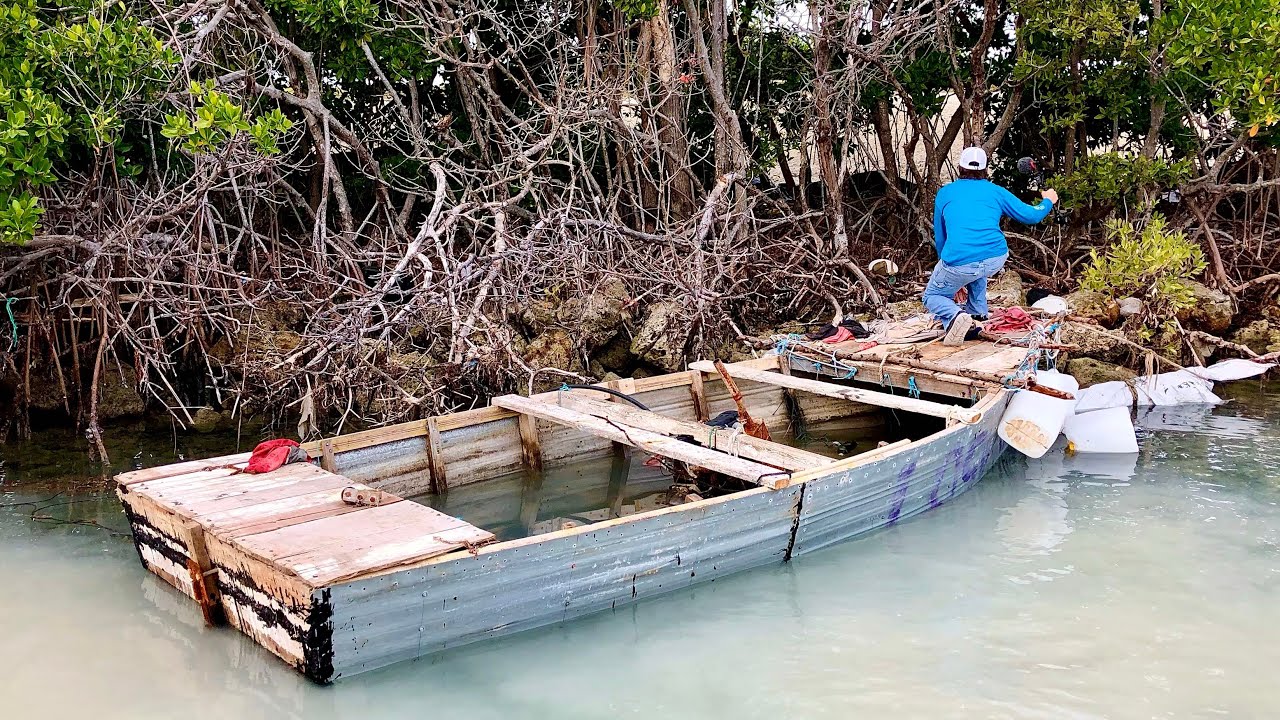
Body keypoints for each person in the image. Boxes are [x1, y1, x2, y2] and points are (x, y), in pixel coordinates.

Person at [925, 147, 1058, 345]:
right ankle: (978, 314)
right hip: (995, 258)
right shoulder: (996, 192)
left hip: (959, 260)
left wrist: (949, 273)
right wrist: (1048, 201)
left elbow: (941, 237)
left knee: (932, 296)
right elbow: (1032, 215)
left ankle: (955, 316)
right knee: (977, 269)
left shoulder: (945, 193)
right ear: (985, 170)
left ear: (959, 167)